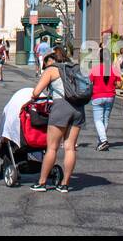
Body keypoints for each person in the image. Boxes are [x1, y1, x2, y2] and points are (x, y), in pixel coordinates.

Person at [29, 47, 84, 192]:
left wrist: (34, 97)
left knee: (52, 148)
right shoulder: (74, 68)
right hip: (78, 108)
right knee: (70, 147)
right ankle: (65, 184)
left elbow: (36, 92)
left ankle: (42, 182)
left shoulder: (52, 70)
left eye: (46, 63)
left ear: (50, 60)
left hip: (61, 108)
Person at [88, 48, 121, 151]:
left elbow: (89, 82)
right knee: (105, 119)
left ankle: (103, 140)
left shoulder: (95, 69)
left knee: (98, 120)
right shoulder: (113, 69)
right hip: (110, 96)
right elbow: (120, 84)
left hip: (97, 96)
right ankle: (101, 142)